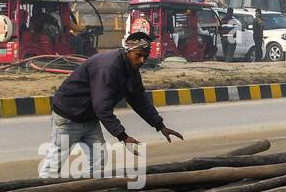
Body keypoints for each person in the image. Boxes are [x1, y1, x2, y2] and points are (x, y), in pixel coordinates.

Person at [44, 32, 183, 177]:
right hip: (68, 117)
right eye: (139, 55)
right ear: (128, 51)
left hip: (89, 117)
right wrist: (123, 136)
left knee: (98, 159)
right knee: (54, 165)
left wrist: (160, 125)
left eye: (145, 57)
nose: (142, 60)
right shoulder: (108, 67)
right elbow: (102, 107)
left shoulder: (131, 69)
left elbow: (139, 99)